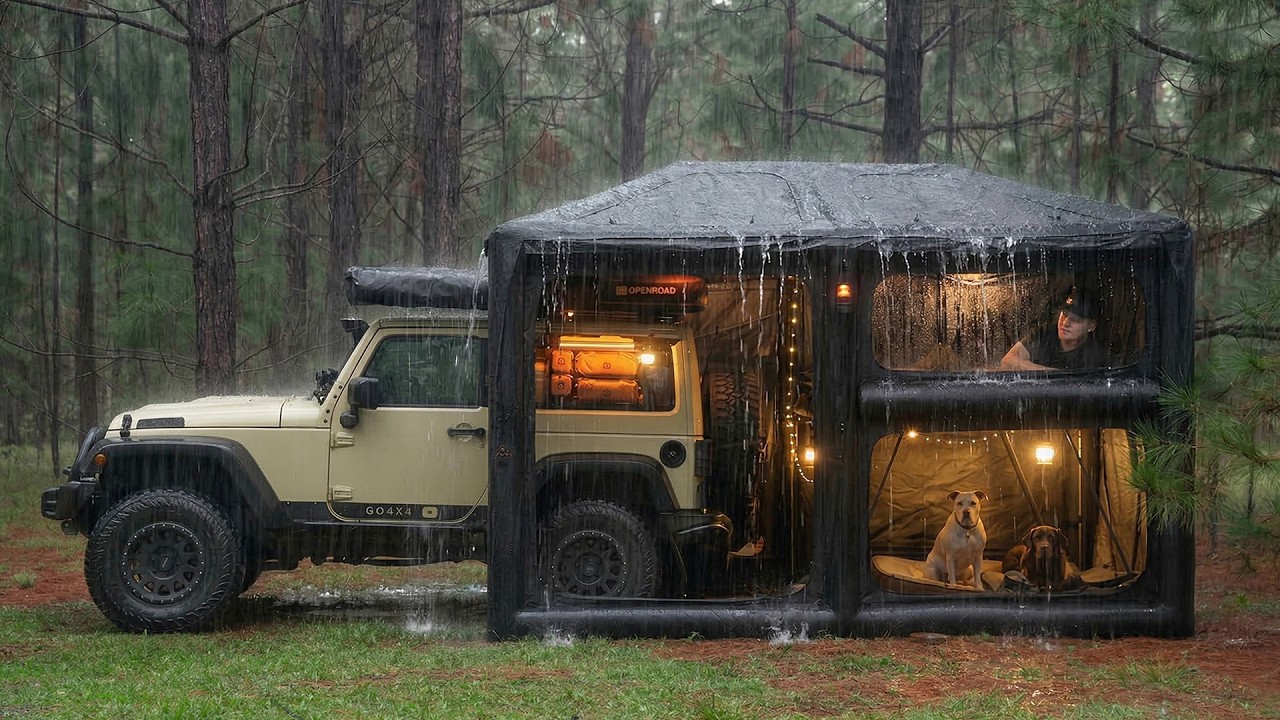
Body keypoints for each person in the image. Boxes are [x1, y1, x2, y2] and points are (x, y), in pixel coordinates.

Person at [1000, 288, 1107, 370]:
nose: (1065, 323)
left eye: (1075, 319)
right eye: (1064, 314)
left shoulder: (1096, 356)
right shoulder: (1046, 333)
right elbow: (1008, 360)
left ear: (1091, 326)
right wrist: (1051, 375)